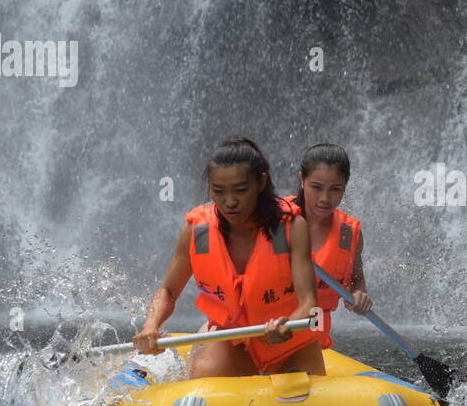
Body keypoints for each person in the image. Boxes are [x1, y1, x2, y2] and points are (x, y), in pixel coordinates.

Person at [132, 136, 325, 378]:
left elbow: (309, 302)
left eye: (241, 190)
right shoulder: (197, 231)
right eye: (219, 191)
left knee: (305, 399)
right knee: (205, 376)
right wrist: (151, 326)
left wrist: (287, 325)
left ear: (261, 182)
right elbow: (168, 291)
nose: (230, 202)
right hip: (233, 338)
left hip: (289, 341)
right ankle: (206, 337)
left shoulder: (292, 227)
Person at [284, 143, 371, 350]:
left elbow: (356, 280)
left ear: (345, 187)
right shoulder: (274, 220)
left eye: (335, 190)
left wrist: (359, 296)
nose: (325, 198)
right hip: (268, 320)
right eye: (316, 187)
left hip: (315, 323)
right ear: (302, 180)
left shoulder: (349, 234)